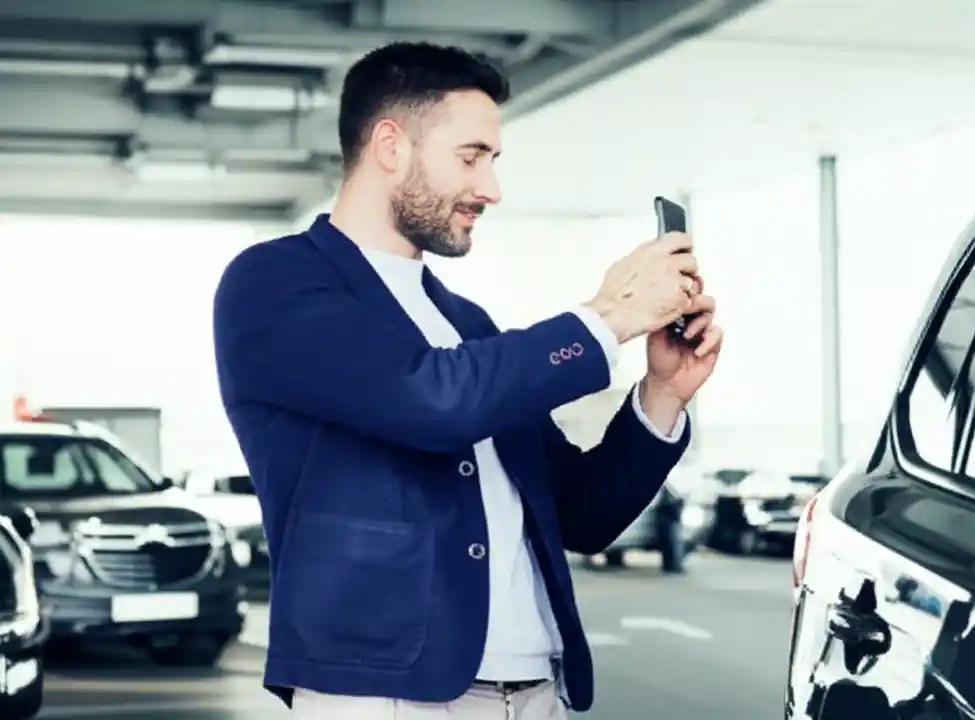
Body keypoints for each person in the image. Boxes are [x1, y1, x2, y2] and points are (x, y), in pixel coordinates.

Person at [211, 41, 723, 719]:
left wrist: (662, 394)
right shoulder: (276, 283)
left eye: (493, 160)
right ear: (390, 145)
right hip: (384, 694)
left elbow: (581, 512)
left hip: (533, 692)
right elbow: (430, 400)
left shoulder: (469, 325)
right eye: (471, 156)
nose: (491, 188)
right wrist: (609, 315)